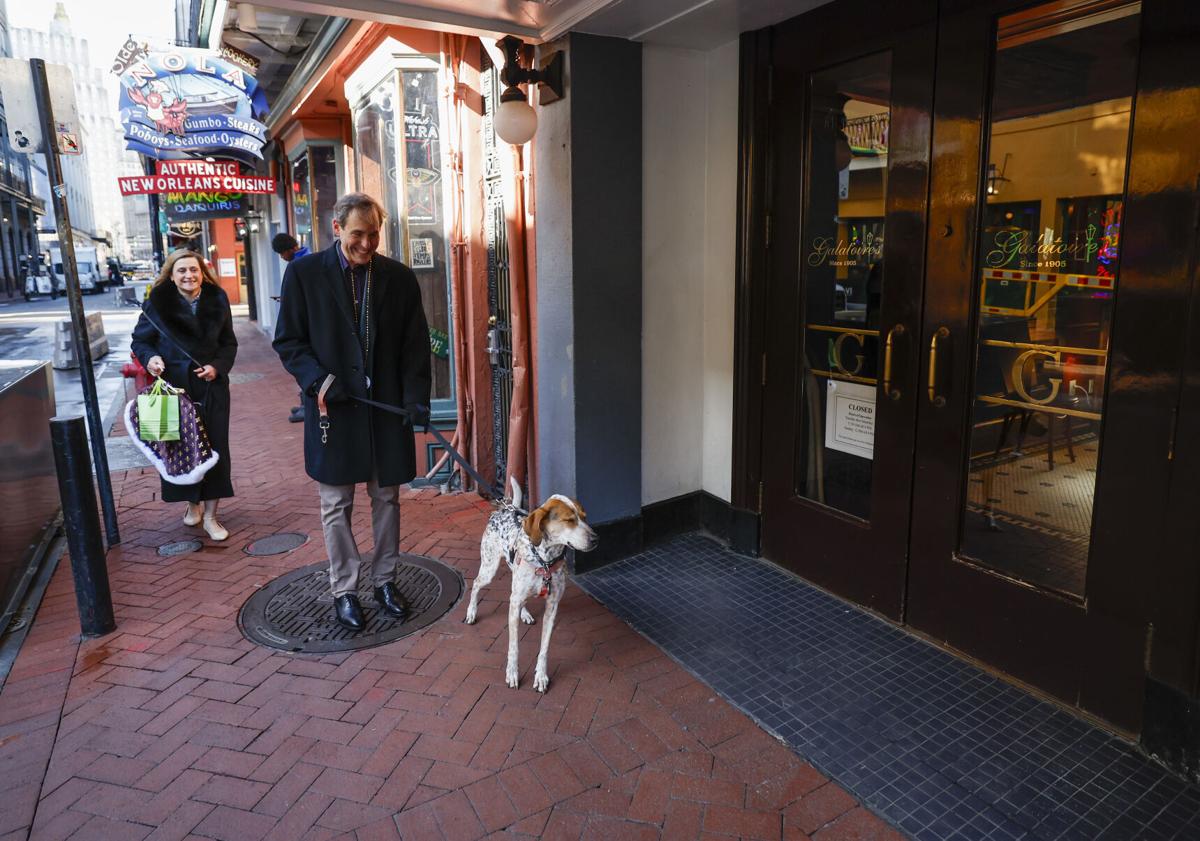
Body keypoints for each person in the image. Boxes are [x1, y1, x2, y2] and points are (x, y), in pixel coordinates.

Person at [273, 193, 431, 632]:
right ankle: (344, 589)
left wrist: (415, 399)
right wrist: (319, 381)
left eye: (374, 234)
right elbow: (288, 341)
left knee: (387, 499)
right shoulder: (304, 274)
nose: (366, 244)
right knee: (335, 504)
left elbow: (415, 345)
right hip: (333, 410)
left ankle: (385, 581)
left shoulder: (399, 277)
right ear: (337, 228)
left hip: (385, 410)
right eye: (358, 234)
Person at [131, 250, 238, 541]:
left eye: (193, 269)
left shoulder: (217, 298)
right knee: (183, 450)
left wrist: (217, 367)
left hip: (211, 388)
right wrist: (151, 358)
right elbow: (140, 340)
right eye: (182, 271)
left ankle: (212, 516)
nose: (188, 275)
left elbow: (229, 343)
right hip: (174, 389)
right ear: (171, 275)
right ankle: (193, 503)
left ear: (202, 272)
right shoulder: (157, 303)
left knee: (215, 449)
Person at [272, 233, 311, 423]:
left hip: (305, 323)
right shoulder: (304, 258)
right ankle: (305, 402)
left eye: (282, 253)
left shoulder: (299, 264)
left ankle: (308, 405)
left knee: (303, 359)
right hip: (306, 318)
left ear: (290, 249)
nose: (282, 257)